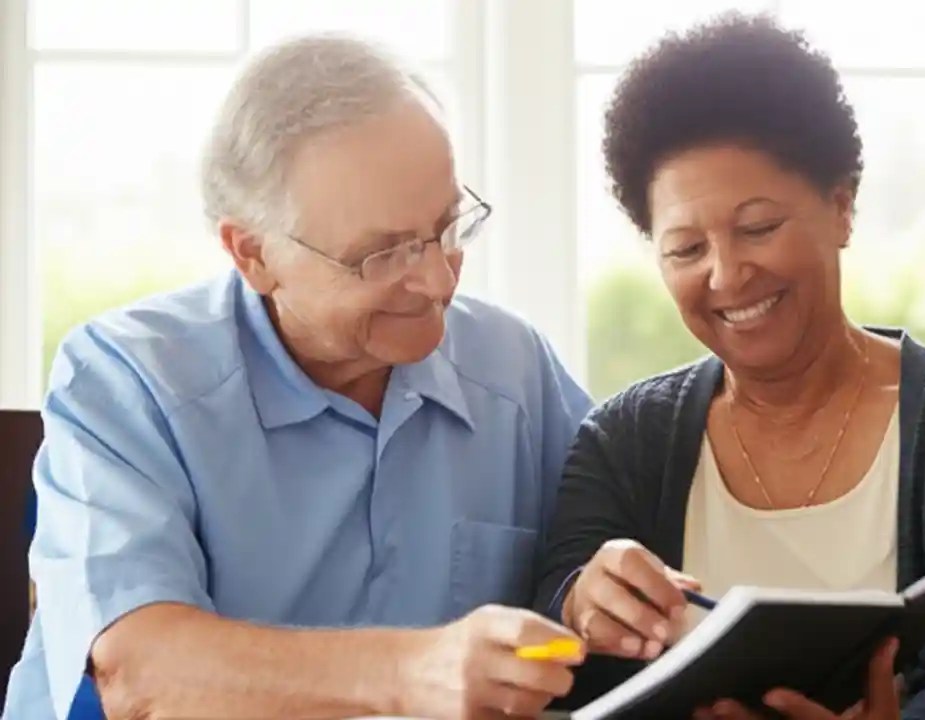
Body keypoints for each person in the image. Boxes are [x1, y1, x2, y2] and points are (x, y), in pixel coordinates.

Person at [5, 35, 592, 720]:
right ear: (252, 253)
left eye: (446, 226)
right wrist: (412, 673)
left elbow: (601, 552)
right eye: (382, 255)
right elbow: (140, 674)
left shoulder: (512, 366)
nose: (437, 280)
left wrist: (599, 587)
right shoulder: (124, 378)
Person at [535, 14, 925, 720]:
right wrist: (578, 608)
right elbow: (552, 651)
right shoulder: (622, 441)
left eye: (758, 228)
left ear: (842, 207)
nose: (726, 276)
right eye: (687, 249)